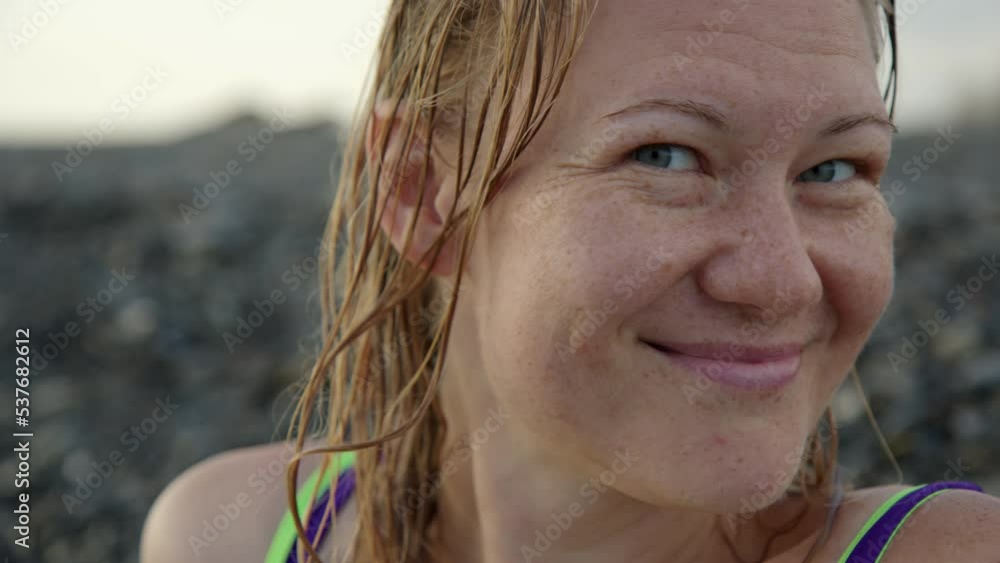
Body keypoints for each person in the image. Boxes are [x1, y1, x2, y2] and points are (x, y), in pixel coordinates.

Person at [139, 1, 1000, 561]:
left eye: (837, 168)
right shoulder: (224, 534)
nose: (781, 281)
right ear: (422, 194)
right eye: (666, 155)